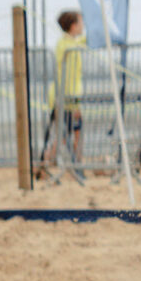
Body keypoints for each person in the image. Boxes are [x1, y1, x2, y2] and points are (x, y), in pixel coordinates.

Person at [43, 9, 87, 171]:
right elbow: (66, 77)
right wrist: (73, 104)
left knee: (71, 131)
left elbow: (85, 41)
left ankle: (74, 162)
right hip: (64, 96)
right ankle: (49, 162)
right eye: (81, 22)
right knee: (65, 133)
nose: (83, 26)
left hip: (68, 96)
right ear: (73, 26)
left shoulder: (70, 43)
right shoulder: (65, 45)